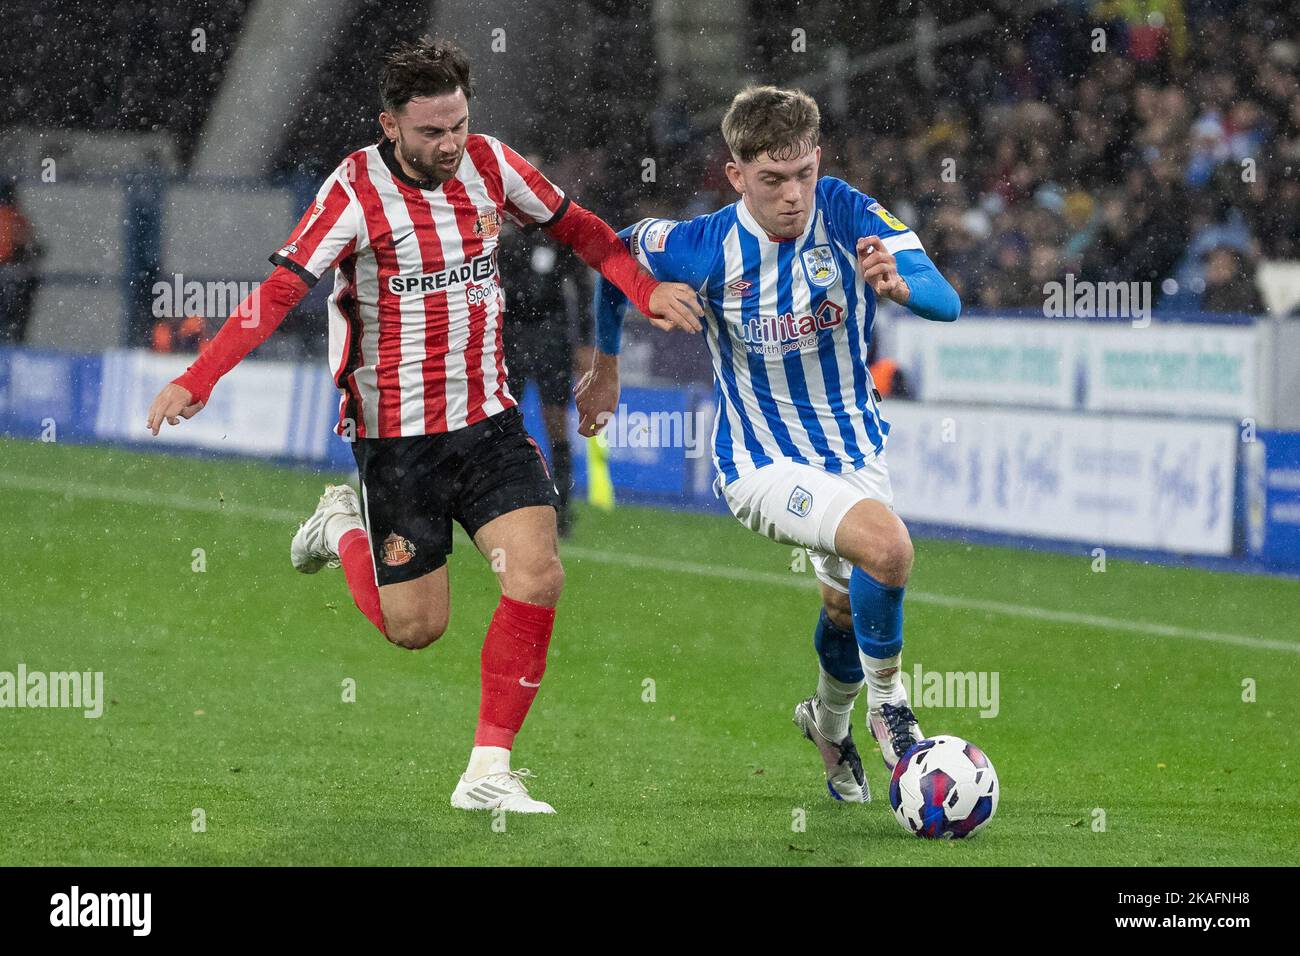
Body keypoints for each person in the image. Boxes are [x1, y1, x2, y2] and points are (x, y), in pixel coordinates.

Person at [145, 36, 702, 815]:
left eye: (459, 127)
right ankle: (342, 524)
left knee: (538, 574)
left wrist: (642, 289)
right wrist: (199, 375)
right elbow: (277, 292)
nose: (450, 146)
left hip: (488, 419)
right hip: (397, 439)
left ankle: (487, 771)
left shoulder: (491, 164)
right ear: (391, 125)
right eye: (432, 132)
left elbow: (582, 228)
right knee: (416, 630)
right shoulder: (352, 191)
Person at [579, 86, 961, 804]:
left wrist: (903, 289)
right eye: (772, 180)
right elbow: (612, 252)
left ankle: (829, 723)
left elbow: (946, 297)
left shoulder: (847, 211)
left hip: (855, 453)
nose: (794, 196)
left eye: (805, 174)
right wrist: (606, 367)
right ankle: (892, 712)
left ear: (820, 162)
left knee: (848, 610)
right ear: (736, 176)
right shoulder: (700, 245)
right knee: (890, 549)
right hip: (758, 463)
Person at [497, 207, 592, 537]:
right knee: (504, 420)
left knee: (556, 423)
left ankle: (561, 504)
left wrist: (585, 341)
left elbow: (582, 289)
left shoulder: (559, 239)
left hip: (551, 337)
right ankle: (503, 501)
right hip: (513, 335)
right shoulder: (506, 242)